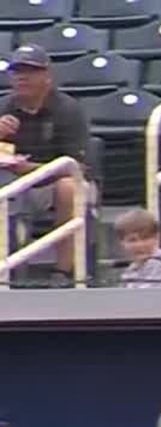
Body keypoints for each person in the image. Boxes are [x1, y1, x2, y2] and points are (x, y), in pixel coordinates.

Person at [0, 45, 93, 283]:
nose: (22, 77)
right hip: (11, 182)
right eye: (17, 71)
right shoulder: (3, 108)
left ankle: (64, 272)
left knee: (69, 188)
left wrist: (30, 170)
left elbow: (78, 167)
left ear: (47, 76)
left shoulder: (68, 110)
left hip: (51, 184)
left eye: (30, 71)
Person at [114, 209, 161, 287]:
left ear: (157, 237)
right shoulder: (133, 268)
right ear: (122, 243)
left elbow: (146, 293)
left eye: (145, 238)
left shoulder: (159, 264)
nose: (139, 245)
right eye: (132, 240)